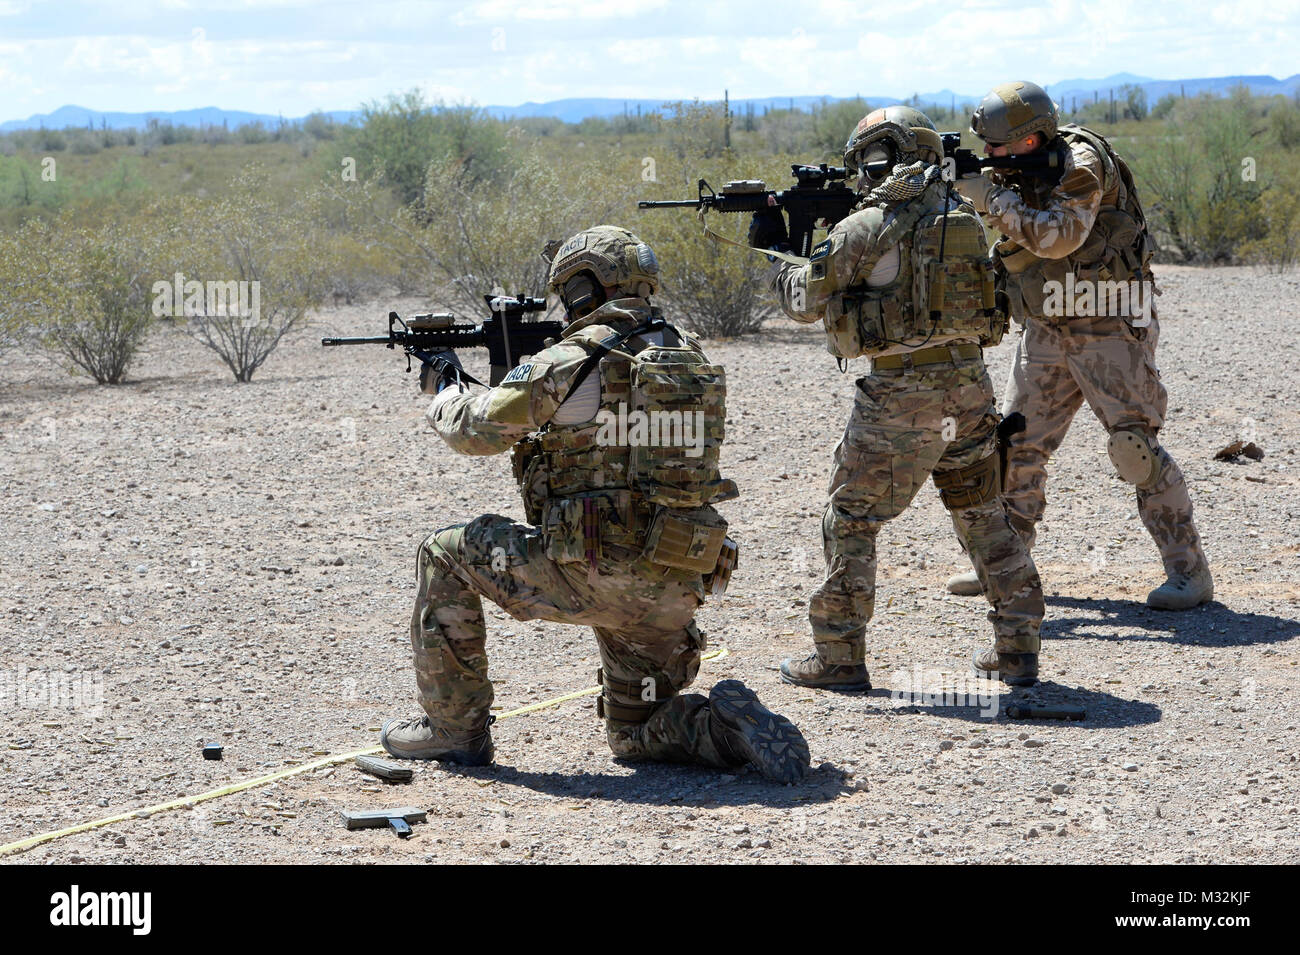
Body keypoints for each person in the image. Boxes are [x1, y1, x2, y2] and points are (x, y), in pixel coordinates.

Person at [380, 225, 811, 783]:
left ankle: (454, 731)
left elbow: (475, 432)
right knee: (635, 734)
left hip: (594, 571)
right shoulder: (685, 354)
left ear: (585, 288)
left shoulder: (575, 360)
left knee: (444, 552)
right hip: (676, 577)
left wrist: (446, 390)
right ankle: (723, 728)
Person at [751, 107, 1045, 688]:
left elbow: (805, 301)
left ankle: (839, 657)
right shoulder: (962, 214)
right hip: (968, 386)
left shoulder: (869, 224)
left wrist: (777, 253)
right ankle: (1017, 648)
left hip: (902, 395)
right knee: (983, 515)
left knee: (852, 517)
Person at [946, 81, 1213, 610]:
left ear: (1028, 140)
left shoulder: (1082, 161)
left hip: (1109, 321)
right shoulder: (1014, 170)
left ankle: (1189, 572)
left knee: (1134, 447)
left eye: (997, 147)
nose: (990, 157)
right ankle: (1007, 562)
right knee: (1017, 444)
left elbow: (1062, 237)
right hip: (1048, 321)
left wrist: (991, 198)